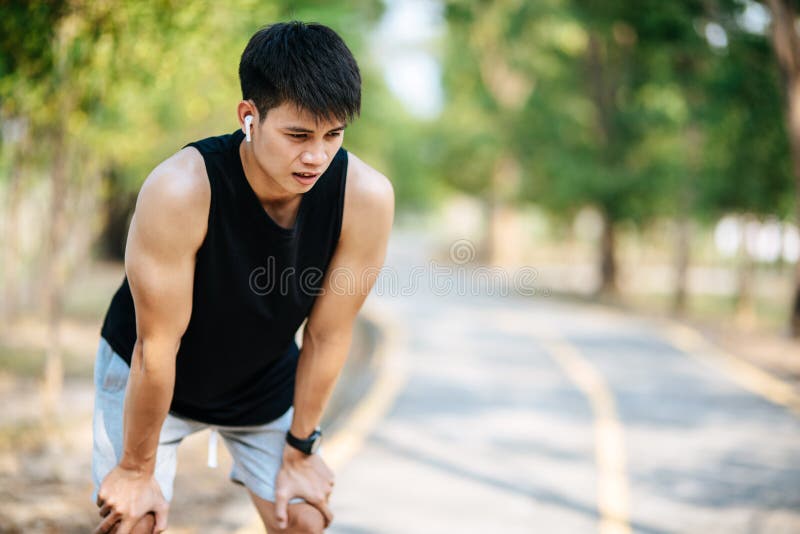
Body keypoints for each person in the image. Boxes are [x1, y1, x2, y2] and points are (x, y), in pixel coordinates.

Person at [91, 21, 394, 534]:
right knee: (131, 522)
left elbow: (328, 333)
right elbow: (156, 346)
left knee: (305, 517)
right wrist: (135, 469)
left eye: (333, 135)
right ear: (249, 117)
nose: (316, 155)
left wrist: (301, 449)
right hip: (153, 374)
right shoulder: (180, 189)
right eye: (298, 135)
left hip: (262, 381)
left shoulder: (364, 198)